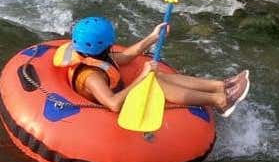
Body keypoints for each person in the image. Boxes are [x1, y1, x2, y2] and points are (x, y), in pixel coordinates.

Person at [55, 16, 249, 117]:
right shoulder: (91, 76)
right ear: (103, 44)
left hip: (117, 95)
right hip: (109, 110)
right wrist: (141, 78)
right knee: (154, 83)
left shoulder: (89, 53)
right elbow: (113, 104)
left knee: (157, 77)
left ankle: (220, 86)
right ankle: (220, 101)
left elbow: (124, 56)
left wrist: (153, 37)